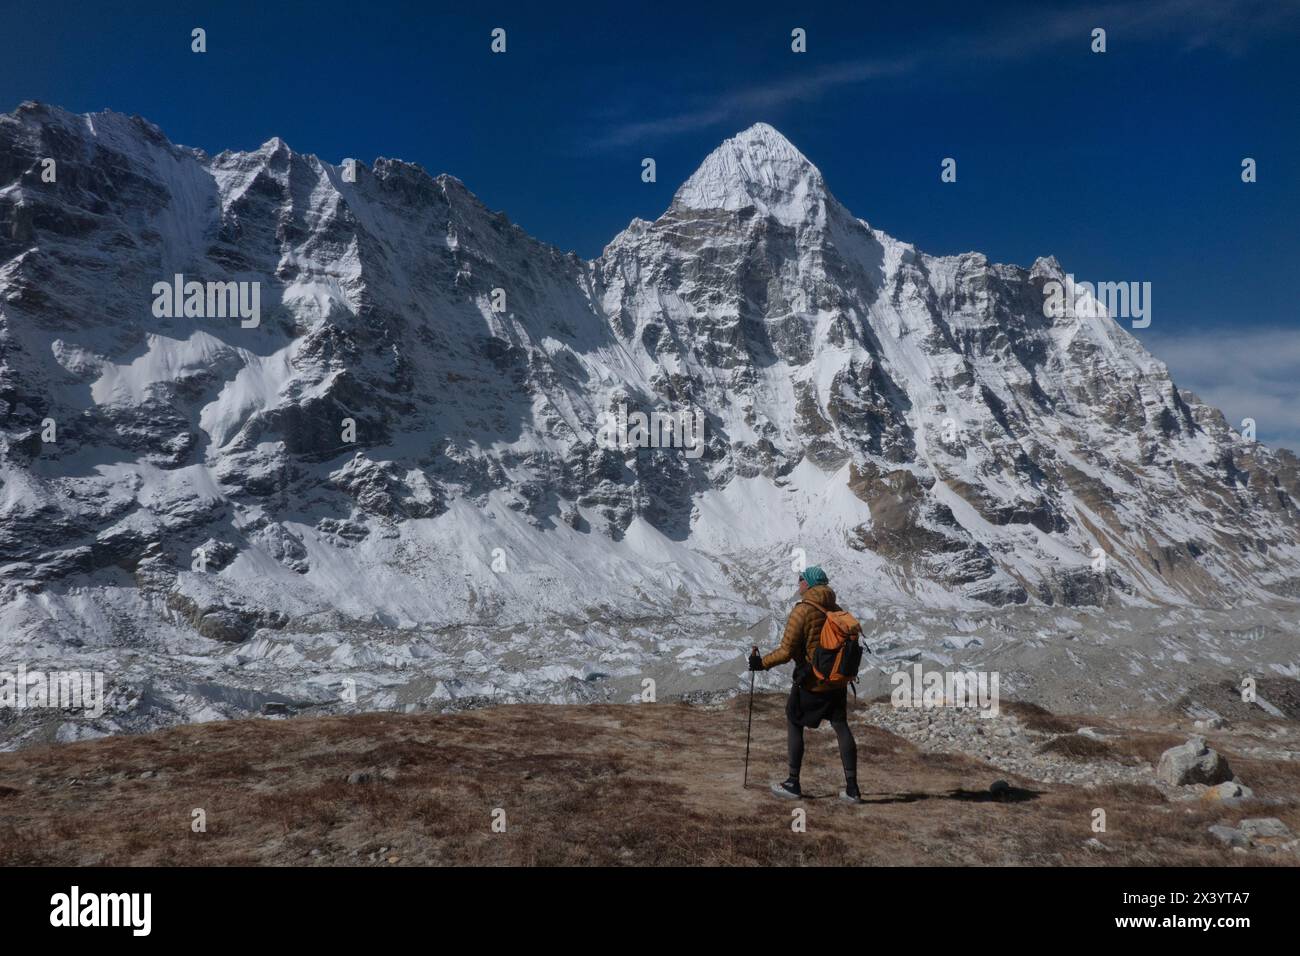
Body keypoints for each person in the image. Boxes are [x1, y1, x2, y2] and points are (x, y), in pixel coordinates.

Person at [749, 565, 861, 804]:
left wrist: (761, 664)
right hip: (837, 681)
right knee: (841, 726)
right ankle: (852, 789)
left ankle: (793, 782)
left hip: (811, 682)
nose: (798, 583)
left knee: (794, 720)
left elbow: (787, 651)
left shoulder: (803, 610)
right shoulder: (836, 608)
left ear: (808, 583)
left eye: (800, 579)